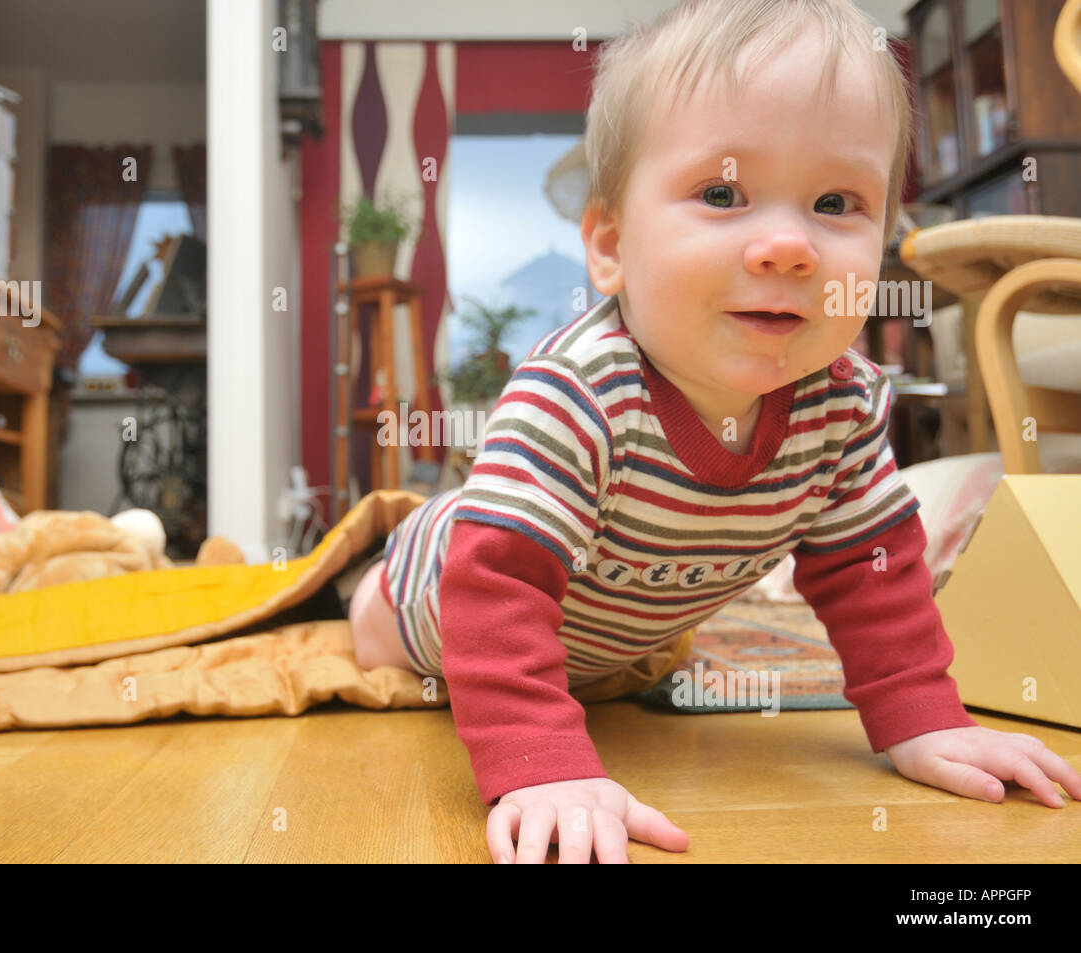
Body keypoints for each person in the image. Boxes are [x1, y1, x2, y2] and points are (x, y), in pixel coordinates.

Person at [347, 0, 1081, 864]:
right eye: (723, 194)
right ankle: (356, 572)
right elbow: (494, 585)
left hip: (613, 631)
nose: (785, 246)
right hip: (431, 594)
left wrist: (923, 716)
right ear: (612, 244)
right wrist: (541, 765)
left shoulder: (843, 406)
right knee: (369, 633)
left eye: (836, 201)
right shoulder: (575, 392)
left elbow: (870, 569)